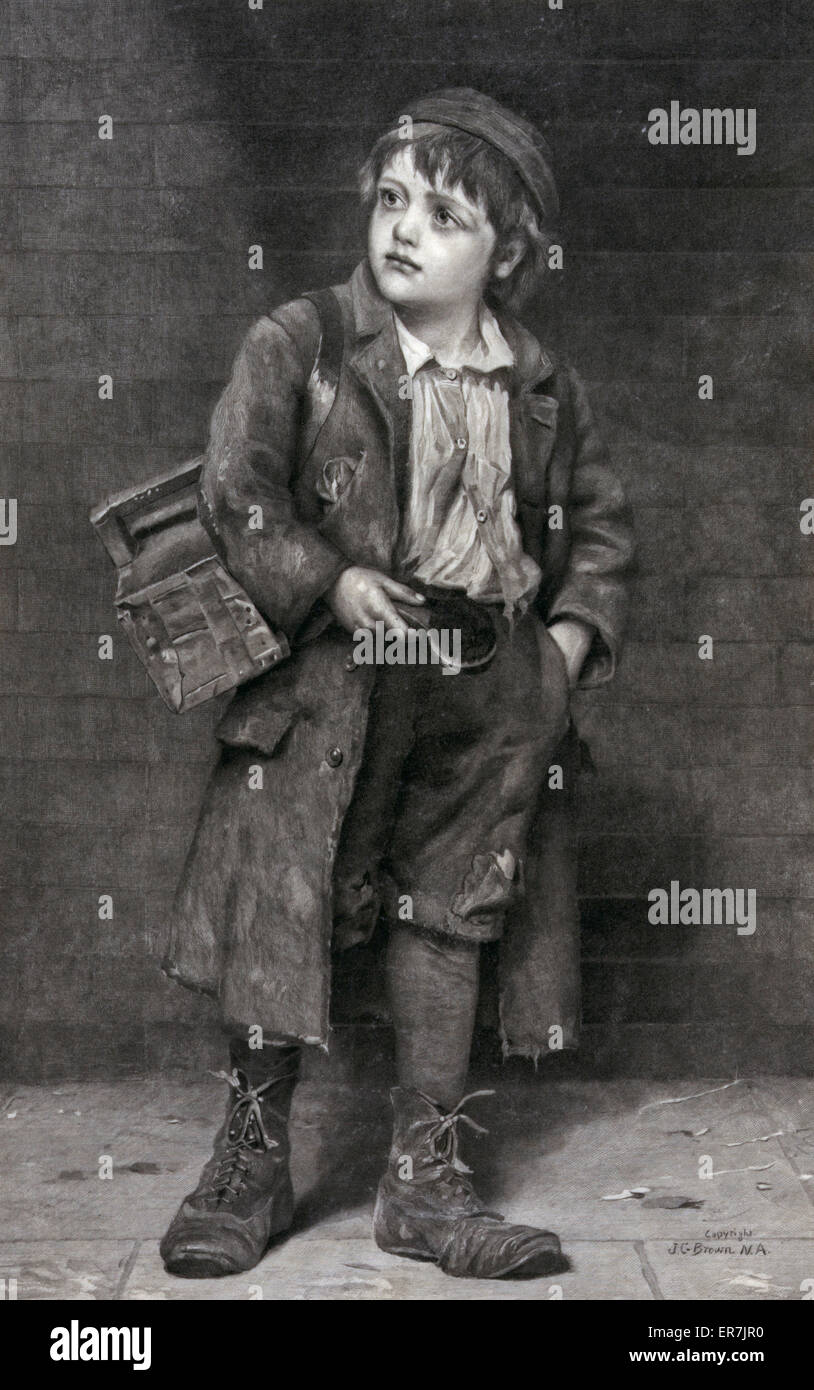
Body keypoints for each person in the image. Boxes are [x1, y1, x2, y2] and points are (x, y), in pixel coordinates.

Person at [159, 88, 635, 1281]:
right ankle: (252, 1159)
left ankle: (424, 1181)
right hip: (335, 683)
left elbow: (604, 533)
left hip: (480, 692)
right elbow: (239, 495)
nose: (403, 229)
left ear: (510, 252)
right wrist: (327, 583)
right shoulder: (303, 343)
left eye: (443, 212)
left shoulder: (538, 382)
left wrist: (562, 655)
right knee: (291, 896)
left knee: (451, 909)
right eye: (389, 199)